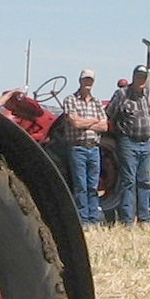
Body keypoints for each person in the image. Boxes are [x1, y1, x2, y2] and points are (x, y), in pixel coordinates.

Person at [55, 68, 108, 224]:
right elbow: (75, 122)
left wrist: (85, 122)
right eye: (85, 80)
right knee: (81, 186)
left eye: (90, 80)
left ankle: (94, 219)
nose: (88, 83)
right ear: (80, 81)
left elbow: (105, 126)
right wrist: (94, 121)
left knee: (93, 186)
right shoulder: (70, 100)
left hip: (94, 148)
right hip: (77, 147)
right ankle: (83, 219)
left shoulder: (97, 102)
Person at [107, 66, 150, 226]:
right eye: (139, 77)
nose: (141, 80)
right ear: (133, 77)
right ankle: (127, 220)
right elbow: (110, 114)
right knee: (129, 181)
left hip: (145, 143)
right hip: (128, 142)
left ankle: (144, 218)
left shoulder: (148, 94)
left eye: (144, 77)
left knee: (145, 181)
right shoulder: (122, 94)